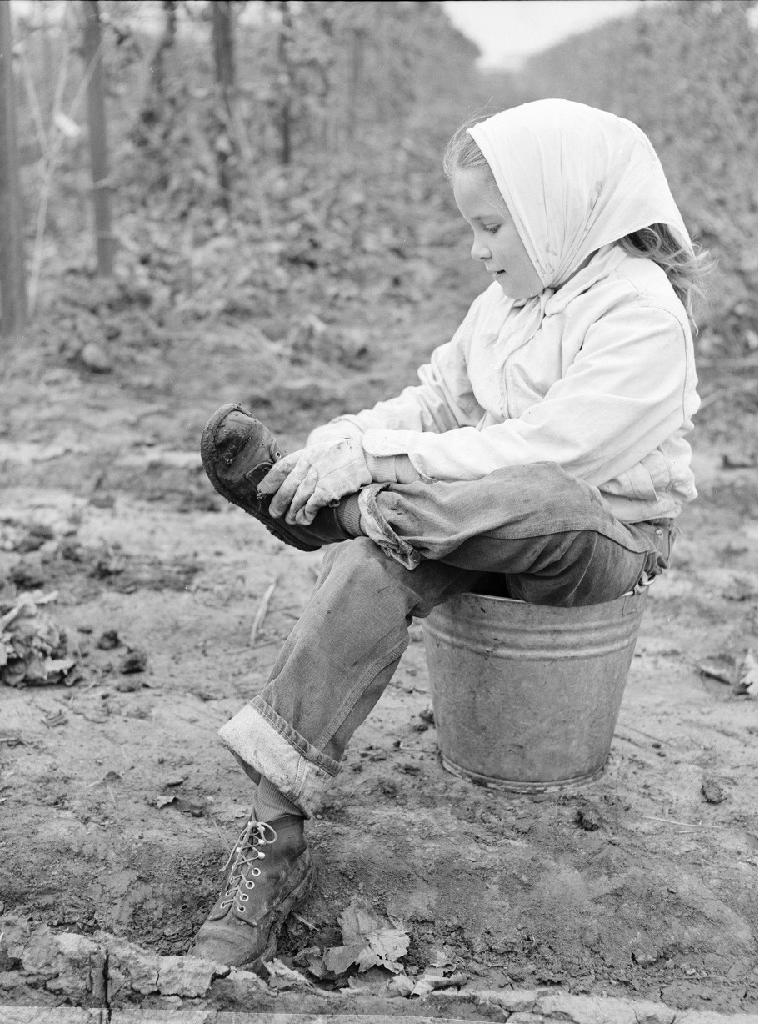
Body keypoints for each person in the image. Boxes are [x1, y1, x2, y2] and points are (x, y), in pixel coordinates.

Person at [189, 98, 708, 970]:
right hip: (466, 524)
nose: (478, 248)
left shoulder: (639, 312)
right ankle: (271, 836)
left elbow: (558, 453)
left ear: (556, 209)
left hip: (596, 536)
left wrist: (376, 469)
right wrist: (342, 443)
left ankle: (348, 517)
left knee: (529, 489)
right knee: (379, 556)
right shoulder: (506, 305)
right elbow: (433, 400)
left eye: (491, 226)